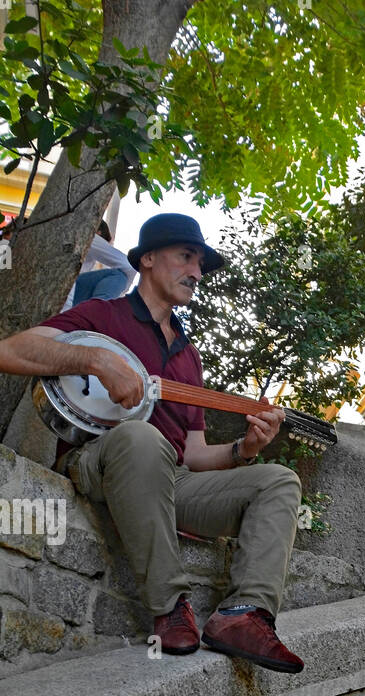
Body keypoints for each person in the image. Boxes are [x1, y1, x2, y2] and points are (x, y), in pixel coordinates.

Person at [0, 211, 305, 672]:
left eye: (200, 264)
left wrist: (244, 450)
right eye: (187, 257)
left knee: (278, 481)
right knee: (142, 438)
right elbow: (10, 351)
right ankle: (170, 608)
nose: (197, 273)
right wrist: (97, 359)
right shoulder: (104, 316)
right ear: (146, 259)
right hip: (100, 458)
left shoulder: (189, 358)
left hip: (170, 482)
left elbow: (196, 452)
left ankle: (242, 616)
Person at [65, 219, 136, 309]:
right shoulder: (91, 238)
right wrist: (122, 290)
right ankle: (96, 315)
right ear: (98, 233)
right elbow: (129, 266)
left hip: (66, 295)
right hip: (67, 295)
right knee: (119, 276)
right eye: (105, 244)